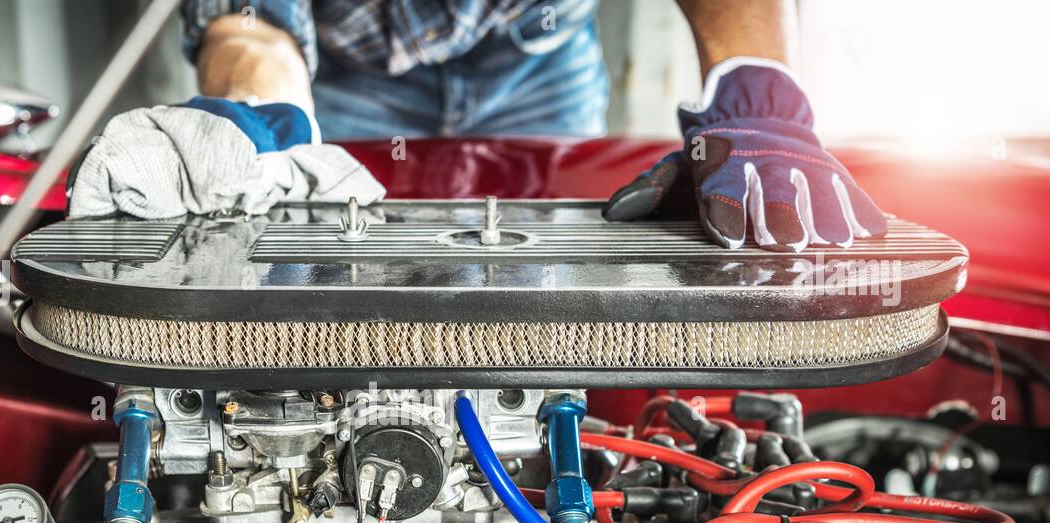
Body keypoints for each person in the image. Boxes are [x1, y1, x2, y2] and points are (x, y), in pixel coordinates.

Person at [70, 0, 886, 253]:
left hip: (534, 59)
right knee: (314, 262)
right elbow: (250, 23)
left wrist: (755, 89)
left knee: (553, 264)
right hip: (342, 70)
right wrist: (255, 115)